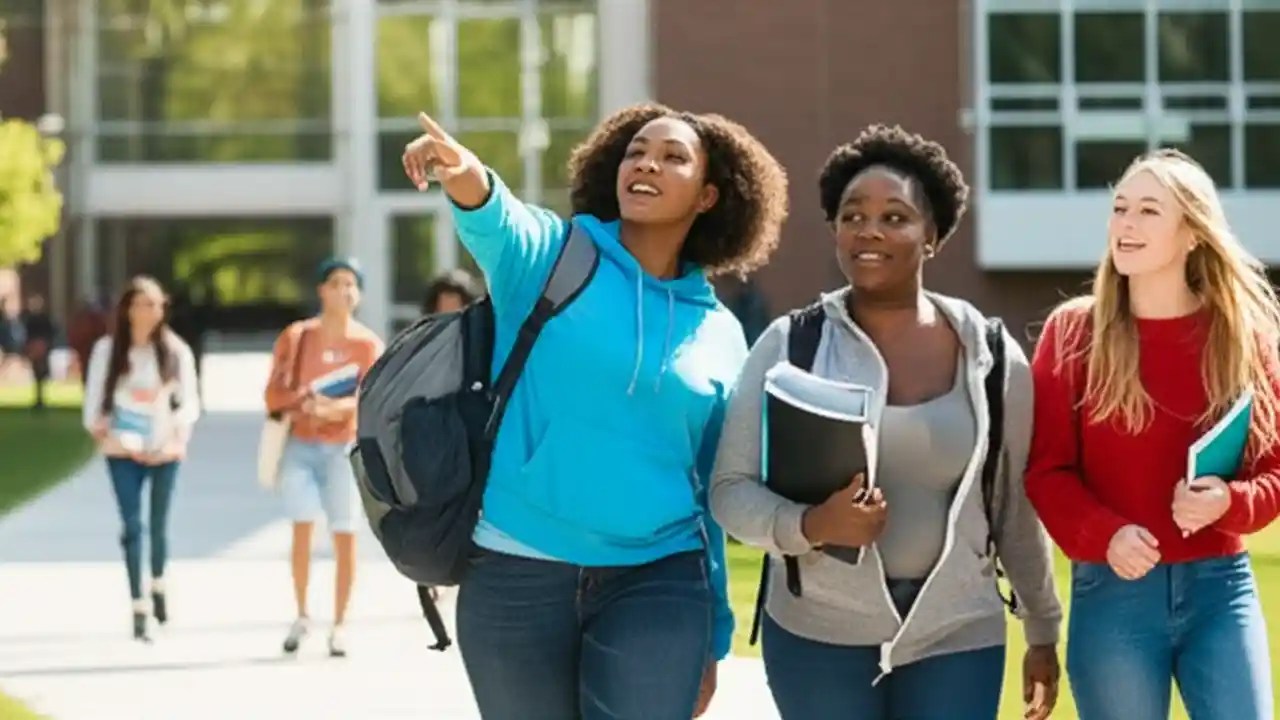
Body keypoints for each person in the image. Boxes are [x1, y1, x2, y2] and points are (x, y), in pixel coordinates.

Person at [400, 102, 787, 719]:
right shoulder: (554, 254)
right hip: (515, 567)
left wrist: (714, 631)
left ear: (709, 196)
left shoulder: (720, 334)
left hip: (657, 578)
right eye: (636, 151)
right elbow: (498, 220)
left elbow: (711, 491)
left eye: (671, 157)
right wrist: (464, 169)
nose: (647, 164)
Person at [709, 125, 1063, 720]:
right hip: (818, 634)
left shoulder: (994, 358)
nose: (869, 230)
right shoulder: (789, 346)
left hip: (959, 633)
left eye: (895, 217)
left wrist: (1043, 628)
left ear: (932, 236)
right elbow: (729, 490)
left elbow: (1012, 510)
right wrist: (811, 524)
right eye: (853, 215)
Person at [1025, 149, 1280, 720]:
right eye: (1119, 209)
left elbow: (1275, 472)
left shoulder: (1242, 337)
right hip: (1113, 593)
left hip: (1221, 591)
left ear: (1192, 233)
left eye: (1147, 210)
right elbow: (1045, 471)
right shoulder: (1073, 335)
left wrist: (1228, 503)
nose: (1126, 225)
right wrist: (1105, 534)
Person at [264, 257, 383, 658]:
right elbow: (273, 394)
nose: (344, 291)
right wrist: (305, 402)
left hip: (343, 451)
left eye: (351, 284)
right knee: (302, 526)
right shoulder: (298, 337)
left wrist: (334, 410)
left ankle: (340, 623)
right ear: (322, 290)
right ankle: (301, 614)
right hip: (301, 444)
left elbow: (374, 402)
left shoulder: (367, 344)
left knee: (345, 531)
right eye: (336, 282)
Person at [82, 276, 201, 642]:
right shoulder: (108, 351)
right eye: (143, 304)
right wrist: (109, 432)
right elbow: (93, 409)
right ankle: (137, 602)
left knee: (159, 524)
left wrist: (173, 439)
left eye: (156, 304)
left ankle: (159, 582)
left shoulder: (175, 351)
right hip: (123, 450)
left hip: (163, 450)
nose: (150, 311)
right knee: (133, 526)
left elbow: (189, 406)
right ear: (128, 310)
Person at [21, 294, 56, 410]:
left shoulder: (35, 319)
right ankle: (39, 399)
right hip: (38, 347)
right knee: (38, 373)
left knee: (40, 373)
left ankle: (39, 399)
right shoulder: (37, 319)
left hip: (39, 347)